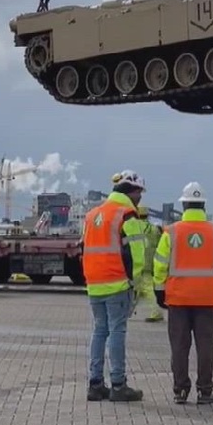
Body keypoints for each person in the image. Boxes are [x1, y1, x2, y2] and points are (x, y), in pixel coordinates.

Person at [153, 181, 213, 405]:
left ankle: (180, 390)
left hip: (178, 298)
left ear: (185, 204)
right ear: (203, 206)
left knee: (179, 346)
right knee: (205, 346)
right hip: (207, 299)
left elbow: (160, 265)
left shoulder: (172, 232)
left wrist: (159, 291)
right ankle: (205, 391)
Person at [82, 171, 149, 402]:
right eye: (140, 192)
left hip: (94, 284)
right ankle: (118, 385)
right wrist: (136, 283)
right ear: (133, 191)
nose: (140, 198)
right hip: (117, 283)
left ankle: (95, 384)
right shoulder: (127, 215)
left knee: (99, 331)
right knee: (117, 332)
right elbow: (137, 255)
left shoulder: (92, 215)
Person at [134, 215, 165, 323]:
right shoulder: (154, 229)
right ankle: (126, 312)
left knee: (144, 289)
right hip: (150, 262)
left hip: (137, 262)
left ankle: (156, 312)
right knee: (137, 289)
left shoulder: (135, 227)